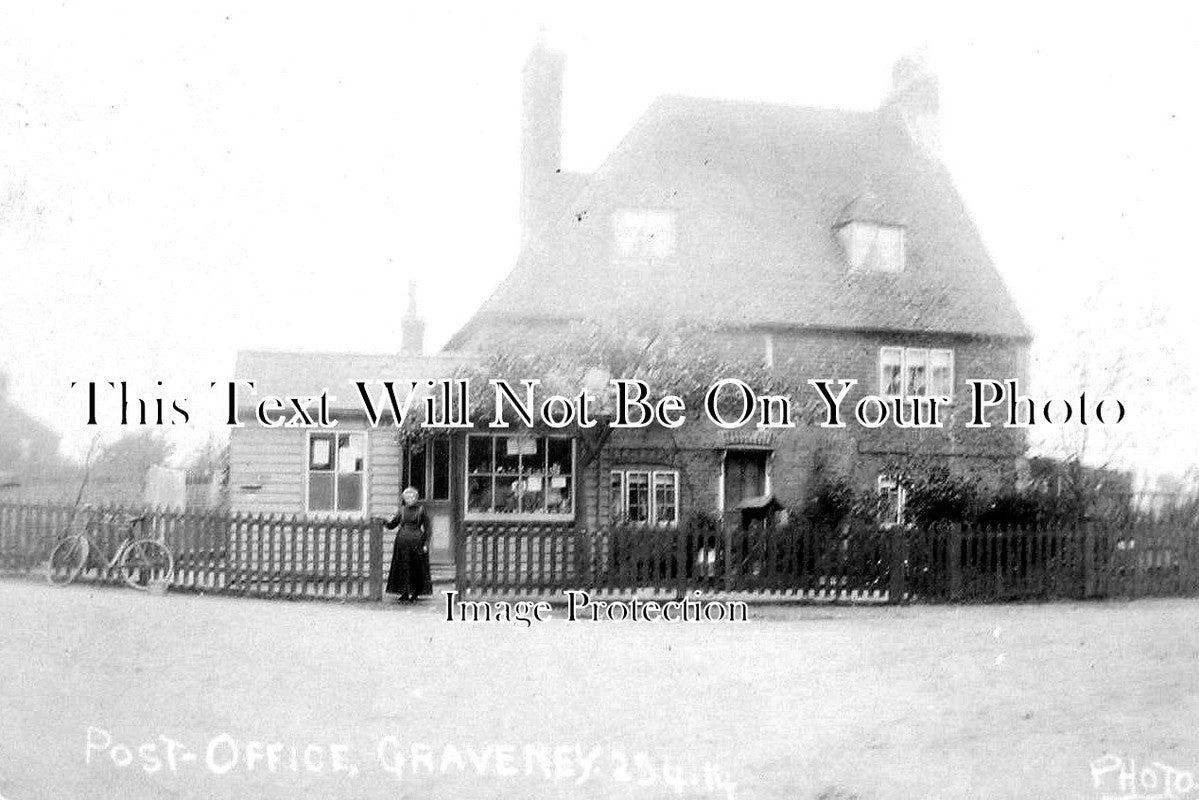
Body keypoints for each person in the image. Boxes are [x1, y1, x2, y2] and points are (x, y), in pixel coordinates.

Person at [381, 486, 433, 603]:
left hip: (417, 542)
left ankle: (414, 593)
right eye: (407, 497)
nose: (410, 499)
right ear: (404, 498)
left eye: (412, 496)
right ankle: (404, 592)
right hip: (402, 542)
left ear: (416, 498)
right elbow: (393, 524)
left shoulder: (421, 510)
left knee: (415, 567)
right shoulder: (402, 510)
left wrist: (426, 544)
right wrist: (384, 522)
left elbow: (428, 529)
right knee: (403, 567)